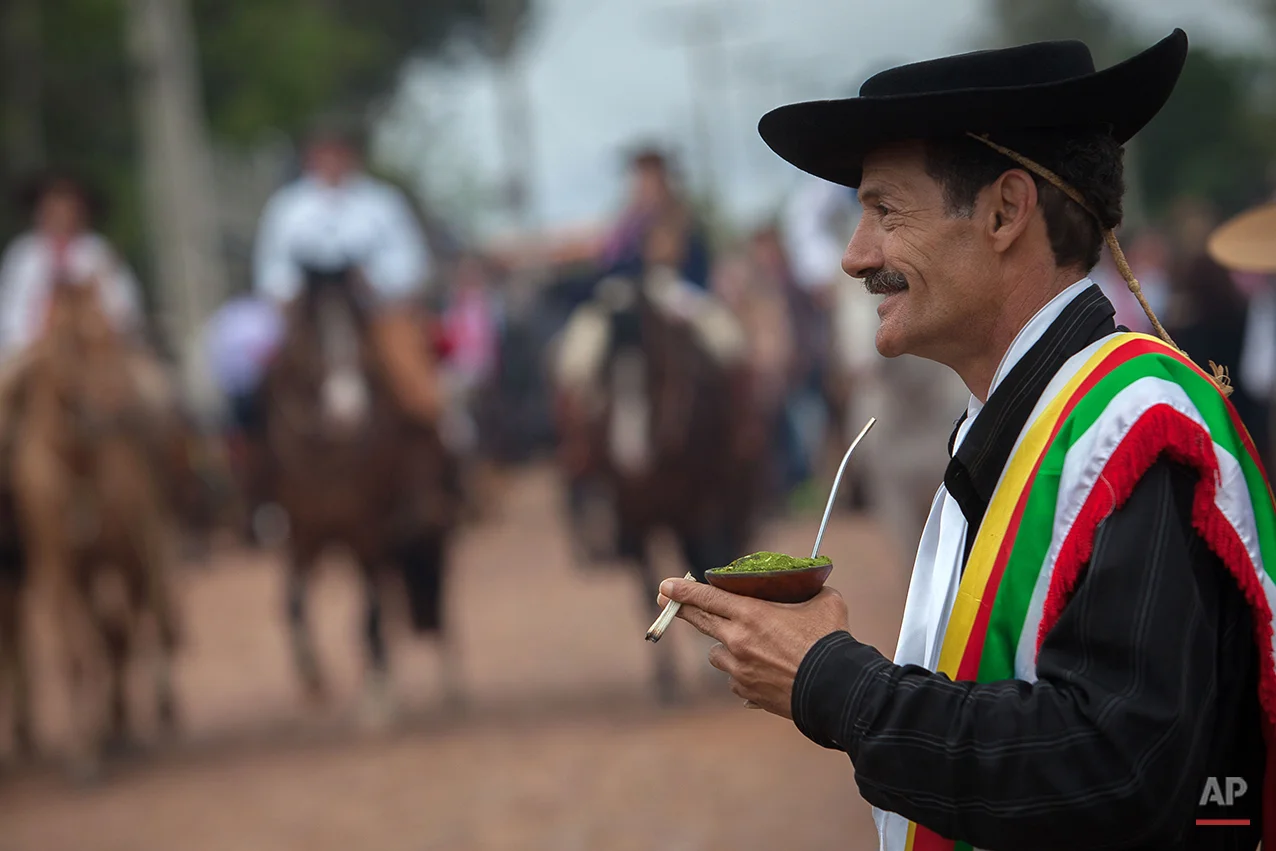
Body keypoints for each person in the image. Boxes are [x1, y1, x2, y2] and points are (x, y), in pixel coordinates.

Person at [656, 29, 1276, 850]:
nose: (853, 256)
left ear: (1004, 211)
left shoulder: (1135, 427)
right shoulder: (1011, 423)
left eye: (884, 210)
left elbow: (1119, 769)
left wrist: (833, 680)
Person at [250, 114, 441, 424]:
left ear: (352, 156)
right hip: (305, 312)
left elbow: (410, 263)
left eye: (338, 152)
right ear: (310, 157)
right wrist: (288, 293)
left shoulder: (382, 203)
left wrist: (375, 283)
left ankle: (446, 446)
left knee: (417, 386)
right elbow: (271, 266)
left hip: (374, 314)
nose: (331, 160)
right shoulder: (287, 208)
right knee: (257, 377)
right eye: (323, 152)